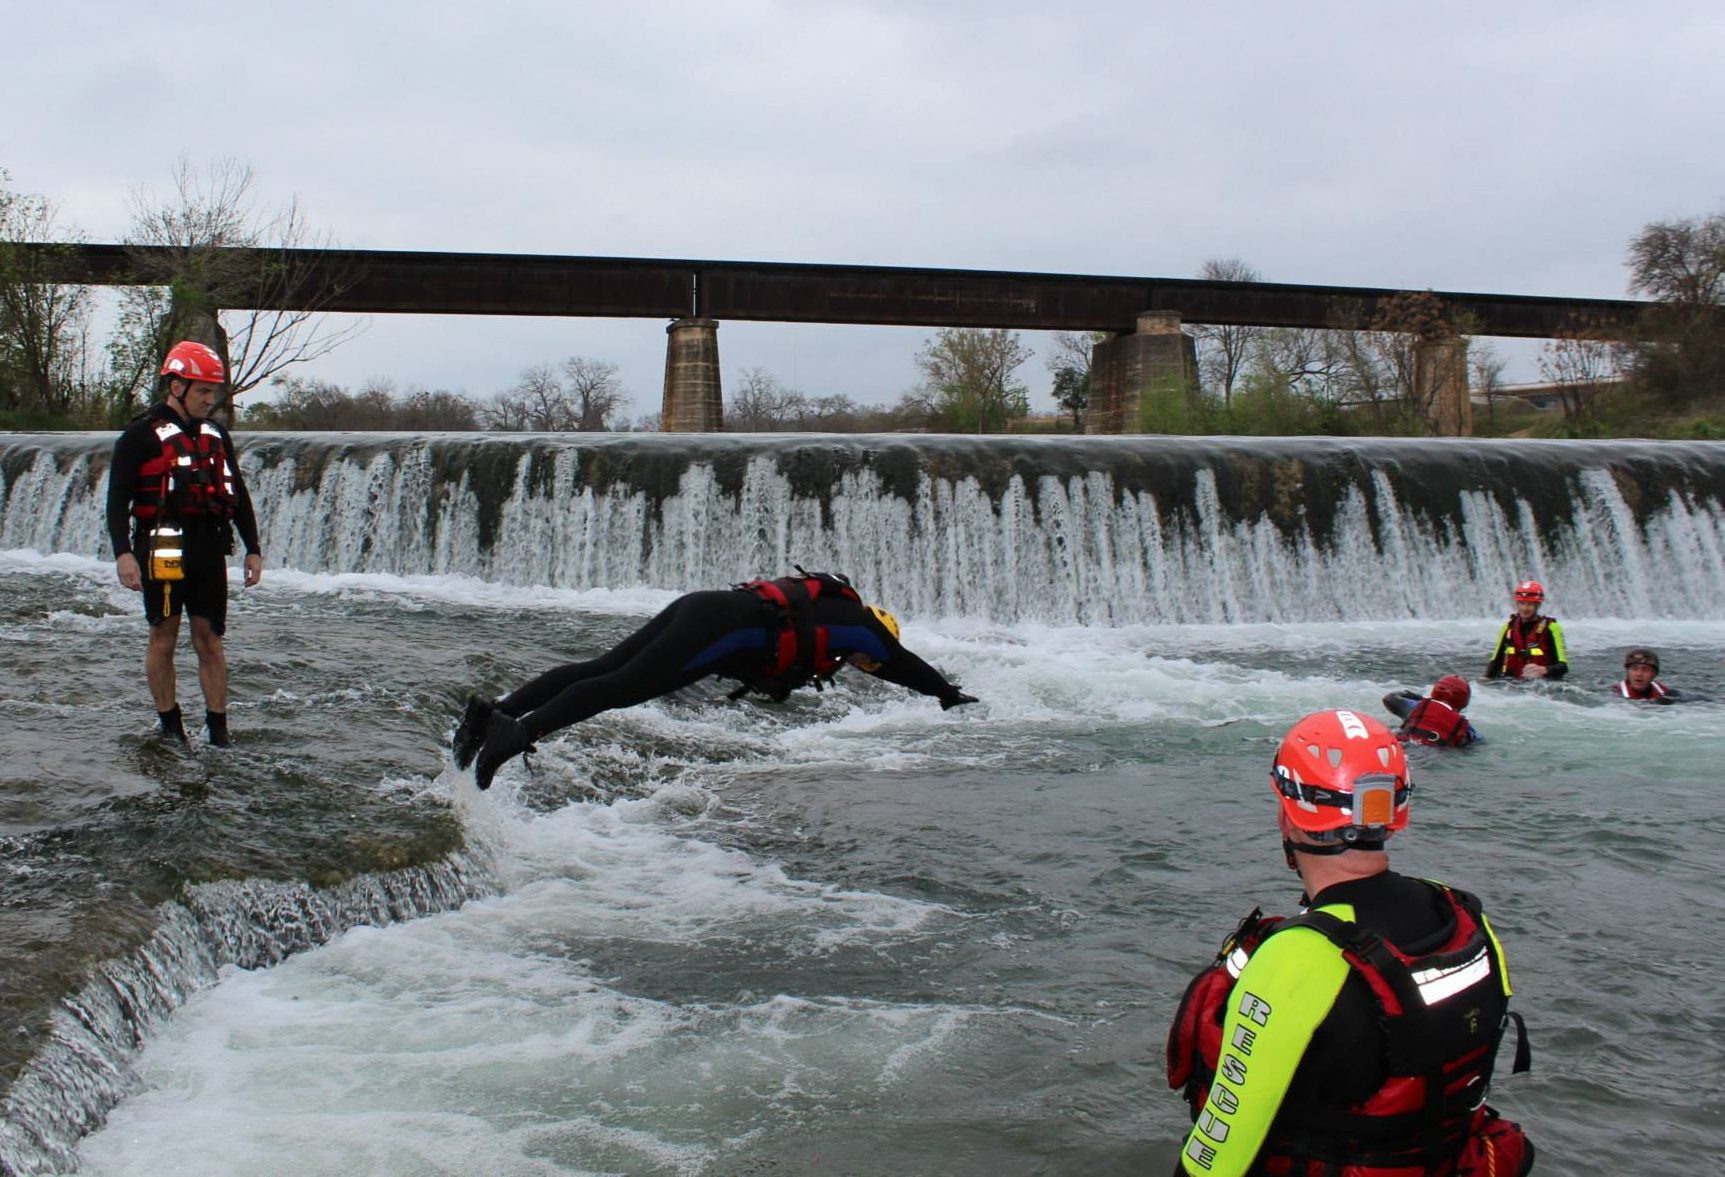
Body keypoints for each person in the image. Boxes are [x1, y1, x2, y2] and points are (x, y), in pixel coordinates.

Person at [1165, 709, 1533, 1176]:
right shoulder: (1461, 911)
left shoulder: (1296, 956)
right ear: (1397, 812)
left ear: (1288, 818)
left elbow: (1217, 1156)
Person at [453, 569, 979, 790]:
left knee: (600, 669)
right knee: (620, 687)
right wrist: (948, 695)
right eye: (860, 664)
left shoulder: (828, 612)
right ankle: (514, 735)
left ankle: (491, 712)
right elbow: (905, 666)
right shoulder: (865, 630)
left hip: (703, 606)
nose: (858, 668)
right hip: (723, 629)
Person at [106, 341, 264, 747]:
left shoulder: (217, 435)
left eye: (213, 392)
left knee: (209, 638)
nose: (210, 401)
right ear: (176, 386)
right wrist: (123, 554)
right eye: (203, 392)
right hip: (161, 546)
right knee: (164, 635)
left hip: (209, 545)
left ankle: (218, 728)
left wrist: (253, 548)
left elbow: (239, 493)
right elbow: (117, 499)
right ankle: (171, 725)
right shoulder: (139, 436)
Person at [1484, 579, 1567, 680]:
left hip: (1542, 686)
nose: (1525, 609)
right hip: (1510, 685)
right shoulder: (1508, 627)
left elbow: (1563, 666)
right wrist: (1484, 682)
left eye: (1530, 604)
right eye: (1522, 603)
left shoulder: (1552, 628)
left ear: (1537, 606)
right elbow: (1495, 662)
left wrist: (1545, 670)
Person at [1381, 674, 1483, 746]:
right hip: (1434, 755)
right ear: (1463, 700)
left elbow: (1389, 699)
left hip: (1404, 745)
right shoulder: (1465, 726)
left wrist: (1415, 696)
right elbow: (1477, 744)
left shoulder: (1417, 706)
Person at [1612, 648, 1703, 703]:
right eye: (1634, 669)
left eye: (1645, 670)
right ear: (1627, 672)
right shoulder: (1617, 695)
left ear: (1654, 674)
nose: (1639, 674)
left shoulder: (1664, 693)